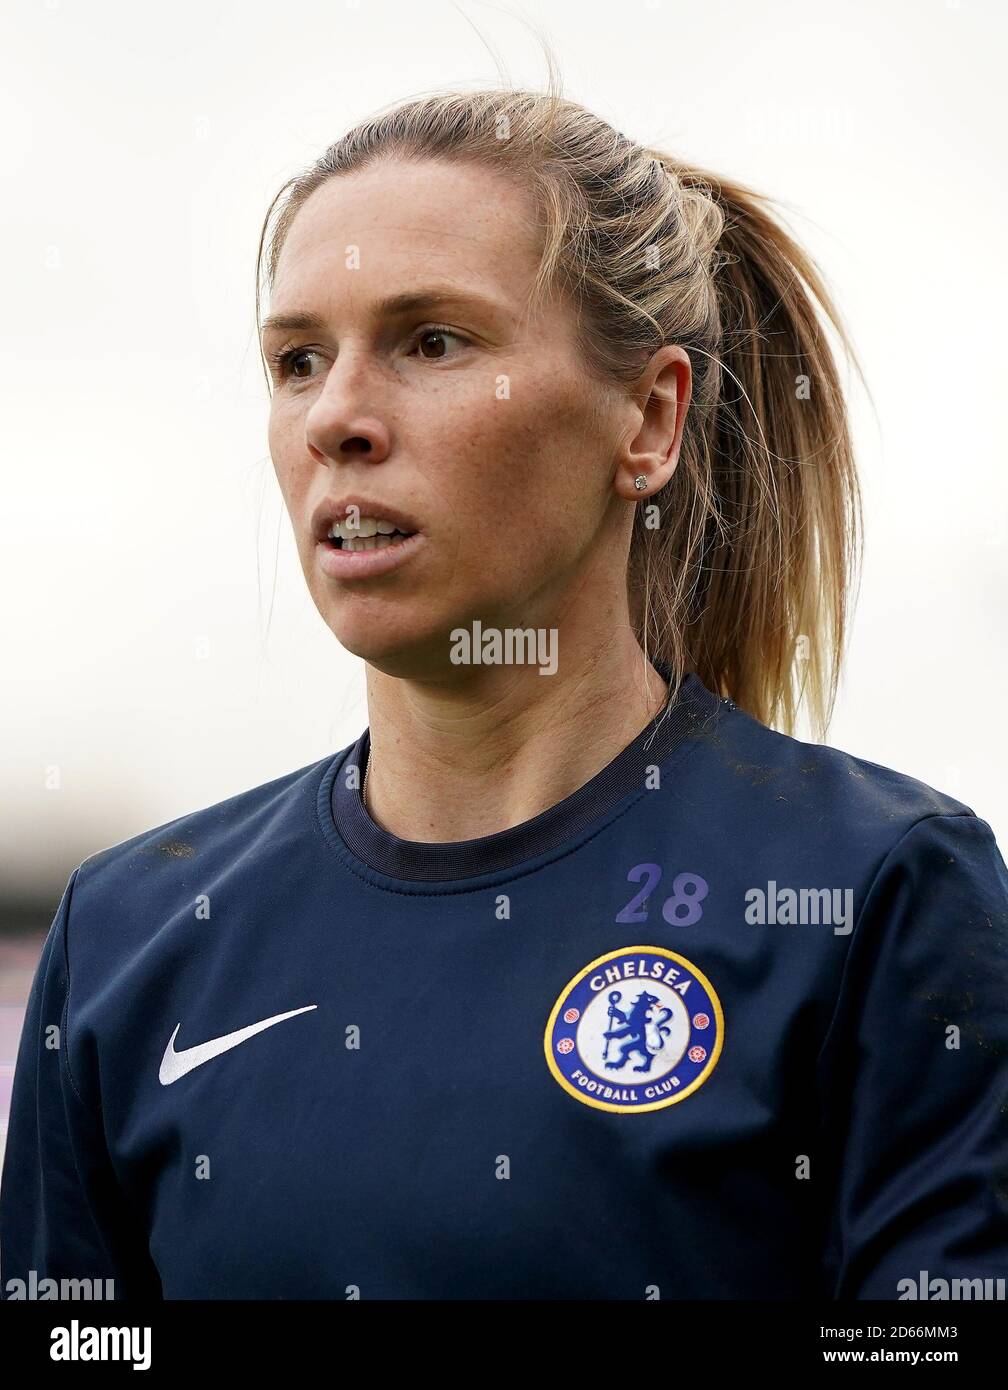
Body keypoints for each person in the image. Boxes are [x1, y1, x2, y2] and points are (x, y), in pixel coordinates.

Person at [2, 79, 1006, 1302]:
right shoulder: (128, 935)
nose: (337, 418)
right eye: (297, 359)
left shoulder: (878, 893)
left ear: (648, 418)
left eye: (432, 341)